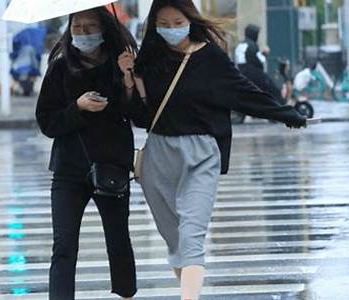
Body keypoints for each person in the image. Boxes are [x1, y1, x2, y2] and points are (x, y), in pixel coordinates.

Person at [120, 1, 308, 299]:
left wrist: (286, 114)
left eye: (177, 22)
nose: (171, 30)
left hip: (201, 154)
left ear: (190, 20)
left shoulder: (210, 58)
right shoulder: (148, 59)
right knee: (175, 241)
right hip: (158, 156)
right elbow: (142, 118)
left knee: (192, 235)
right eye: (164, 24)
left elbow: (244, 92)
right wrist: (130, 84)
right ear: (154, 25)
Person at [35, 7, 144, 300]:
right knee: (64, 245)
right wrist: (77, 108)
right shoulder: (61, 67)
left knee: (118, 239)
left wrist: (128, 80)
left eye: (90, 27)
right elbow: (47, 121)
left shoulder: (121, 63)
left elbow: (139, 115)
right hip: (69, 170)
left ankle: (125, 294)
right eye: (77, 27)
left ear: (104, 29)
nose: (83, 33)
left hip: (111, 166)